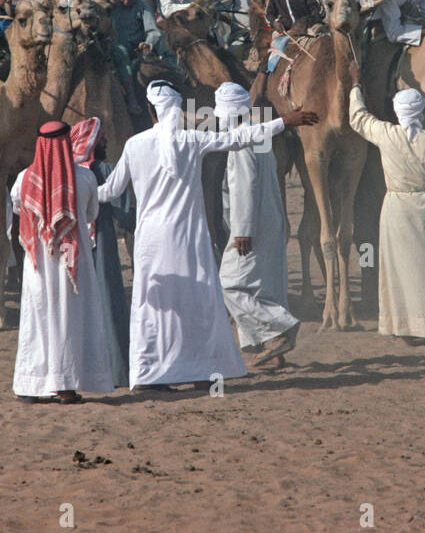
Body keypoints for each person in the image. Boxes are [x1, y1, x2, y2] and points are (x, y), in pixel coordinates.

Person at [96, 80, 317, 389]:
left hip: (151, 242)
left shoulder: (134, 145)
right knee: (197, 304)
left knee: (153, 307)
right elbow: (240, 137)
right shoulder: (193, 140)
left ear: (149, 109)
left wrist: (75, 186)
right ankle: (200, 371)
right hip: (189, 238)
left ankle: (152, 375)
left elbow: (107, 192)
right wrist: (284, 121)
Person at [346, 67, 425, 343]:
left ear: (398, 112)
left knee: (398, 270)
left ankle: (403, 328)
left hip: (396, 207)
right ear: (421, 112)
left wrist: (355, 86)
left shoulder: (387, 134)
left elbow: (358, 118)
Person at [9, 121, 114, 403]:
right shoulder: (85, 177)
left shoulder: (24, 178)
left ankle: (32, 386)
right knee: (70, 319)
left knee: (39, 318)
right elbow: (91, 214)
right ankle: (66, 387)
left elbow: (19, 207)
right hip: (72, 262)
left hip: (39, 264)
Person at [214, 83, 300, 368]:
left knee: (229, 285)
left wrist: (242, 230)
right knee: (264, 287)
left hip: (251, 224)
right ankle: (274, 353)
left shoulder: (240, 140)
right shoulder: (258, 134)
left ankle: (282, 327)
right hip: (269, 218)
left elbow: (245, 187)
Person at [70, 116, 134, 387]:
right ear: (96, 143)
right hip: (102, 245)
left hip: (73, 247)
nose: (106, 141)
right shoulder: (105, 170)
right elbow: (128, 215)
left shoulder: (67, 173)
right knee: (108, 301)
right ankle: (117, 371)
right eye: (102, 137)